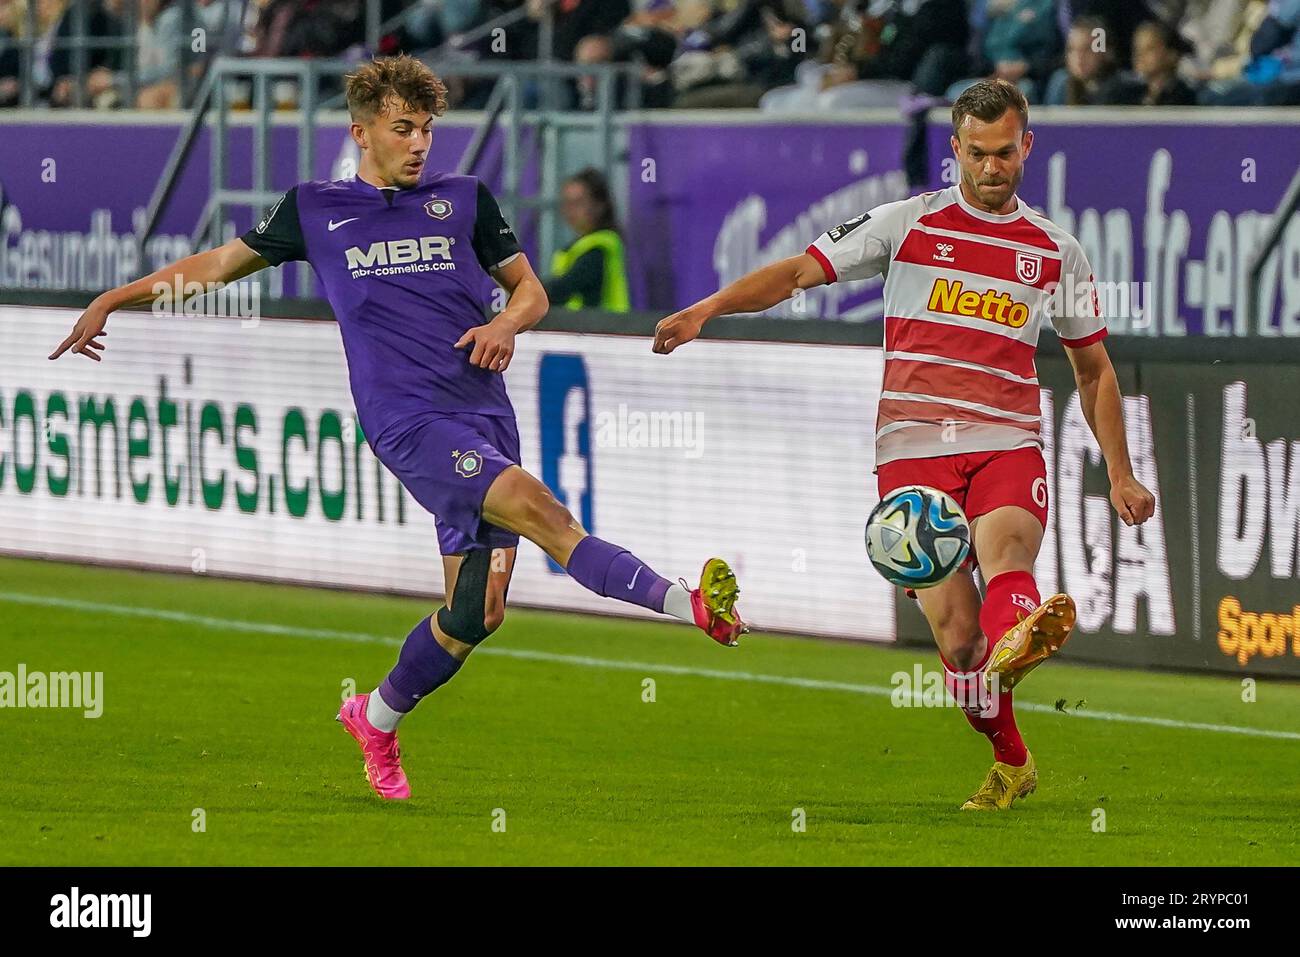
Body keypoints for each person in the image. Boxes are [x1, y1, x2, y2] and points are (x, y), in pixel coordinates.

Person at [49, 54, 748, 802]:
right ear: (362, 132)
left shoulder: (465, 199)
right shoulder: (315, 209)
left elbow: (531, 291)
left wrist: (508, 324)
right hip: (409, 422)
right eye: (403, 128)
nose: (419, 144)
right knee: (546, 513)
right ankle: (690, 604)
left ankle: (374, 716)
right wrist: (113, 298)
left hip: (485, 410)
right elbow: (215, 266)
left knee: (476, 613)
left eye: (427, 129)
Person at [652, 79, 1157, 811]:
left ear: (1028, 147)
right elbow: (797, 272)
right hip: (912, 451)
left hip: (1005, 439)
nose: (993, 167)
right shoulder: (905, 224)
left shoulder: (1055, 252)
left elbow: (1093, 368)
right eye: (978, 154)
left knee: (1009, 552)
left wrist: (1121, 472)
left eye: (1006, 152)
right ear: (954, 150)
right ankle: (1012, 754)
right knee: (956, 643)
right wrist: (708, 309)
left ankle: (1019, 626)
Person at [544, 167, 630, 312]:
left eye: (578, 203)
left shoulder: (599, 246)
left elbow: (563, 289)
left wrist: (528, 293)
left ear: (599, 206)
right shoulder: (579, 247)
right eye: (567, 203)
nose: (570, 210)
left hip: (602, 329)